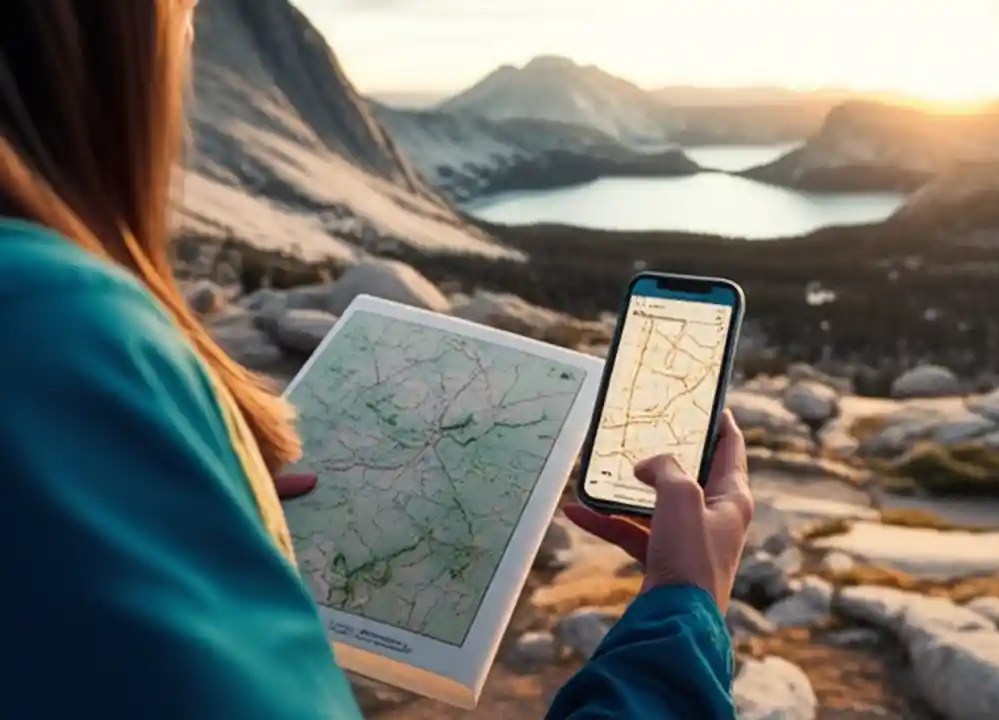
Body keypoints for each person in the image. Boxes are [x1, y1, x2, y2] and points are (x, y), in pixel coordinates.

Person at [0, 2, 754, 718]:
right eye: (183, 14)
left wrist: (183, 506)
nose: (190, 46)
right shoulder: (56, 330)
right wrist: (685, 608)